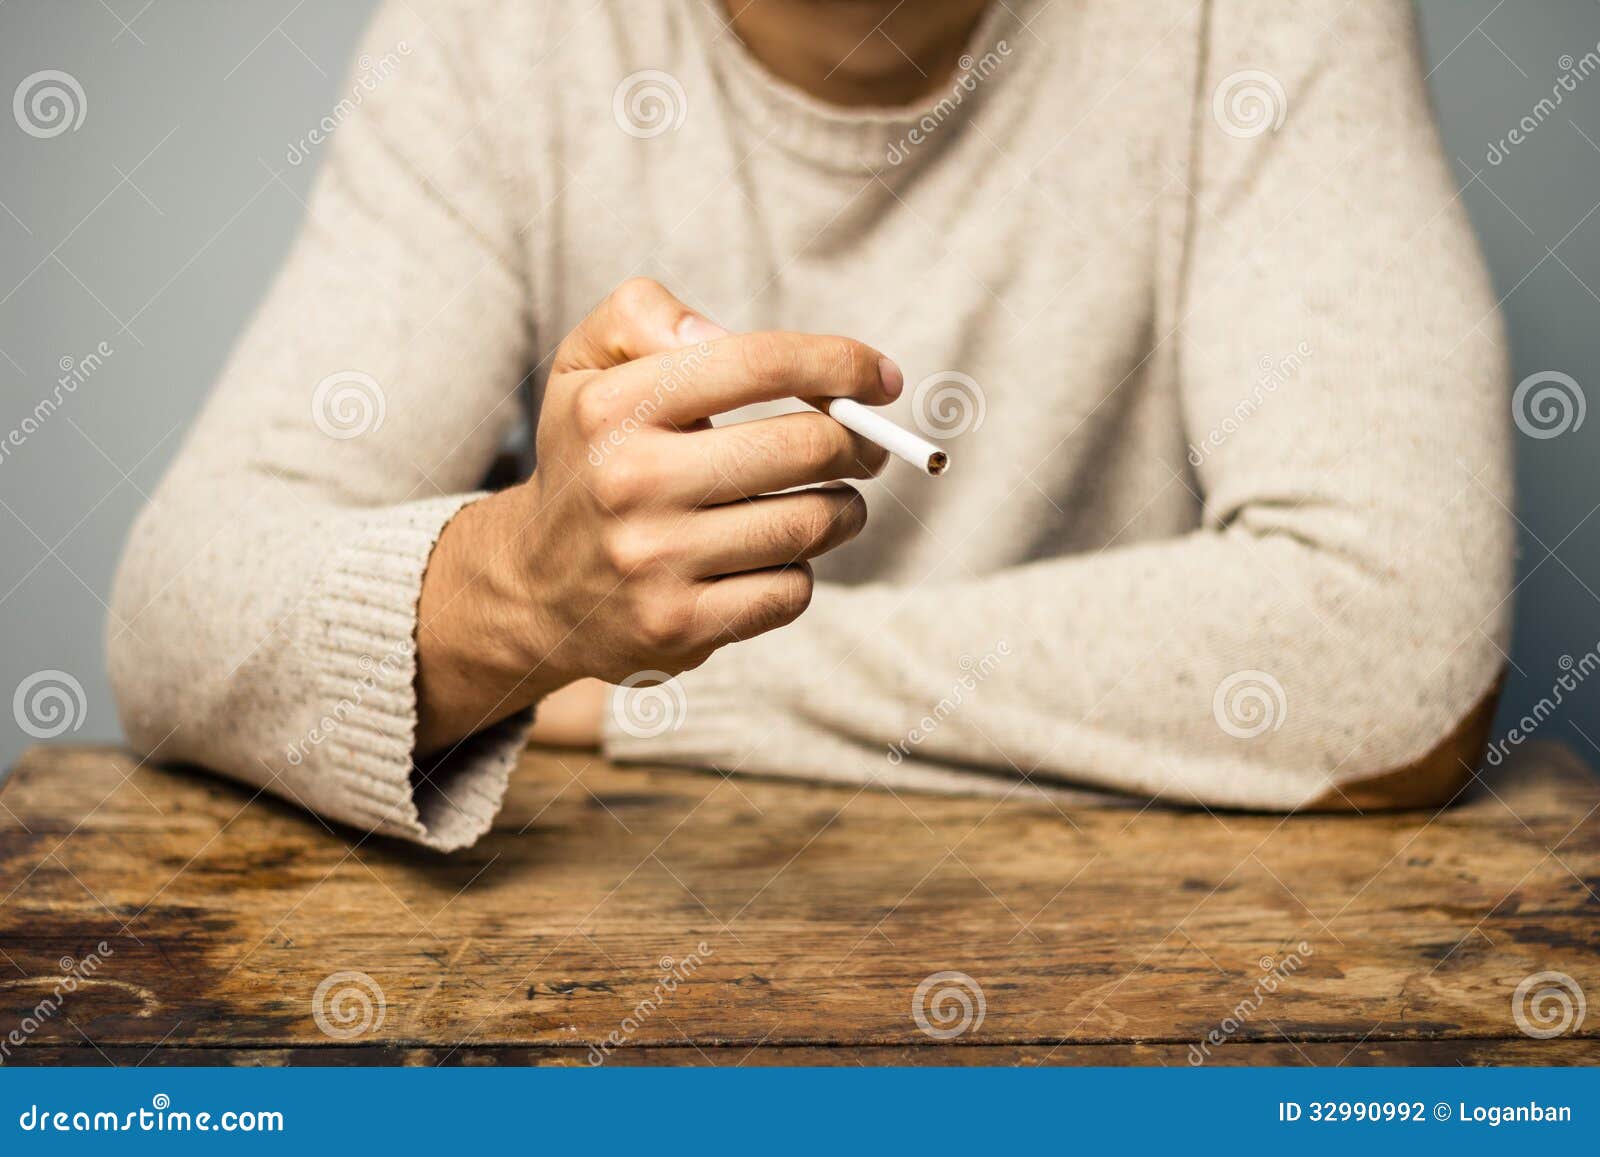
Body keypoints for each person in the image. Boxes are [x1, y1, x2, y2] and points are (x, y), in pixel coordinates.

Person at [109, 0, 1512, 851]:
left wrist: (645, 683)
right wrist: (528, 591)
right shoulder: (497, 41)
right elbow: (178, 617)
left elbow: (1395, 646)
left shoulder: (1259, 25)